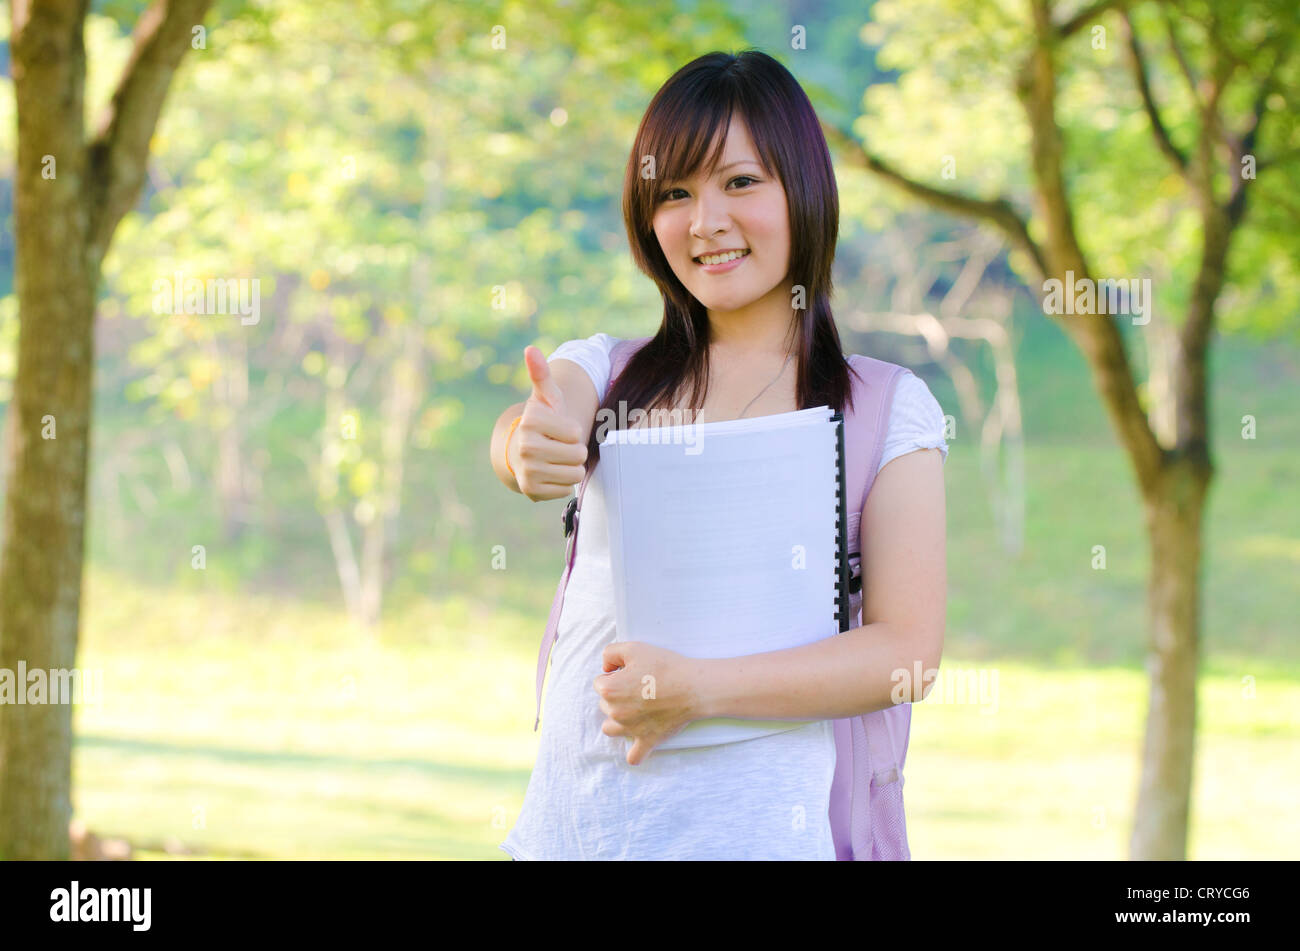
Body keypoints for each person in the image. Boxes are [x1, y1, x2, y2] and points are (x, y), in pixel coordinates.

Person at [487, 49, 947, 860]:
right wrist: (527, 445)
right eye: (675, 193)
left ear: (803, 189)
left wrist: (698, 693)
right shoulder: (609, 369)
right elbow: (537, 420)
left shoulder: (884, 409)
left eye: (739, 182)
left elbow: (906, 653)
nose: (705, 222)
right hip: (570, 836)